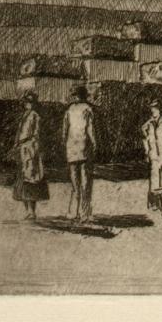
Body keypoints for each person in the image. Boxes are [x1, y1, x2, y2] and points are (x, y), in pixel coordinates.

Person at [12, 91, 49, 221]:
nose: (28, 104)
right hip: (23, 150)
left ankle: (32, 211)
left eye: (31, 102)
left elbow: (36, 134)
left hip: (30, 150)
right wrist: (17, 145)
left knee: (32, 179)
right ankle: (27, 211)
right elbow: (20, 134)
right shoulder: (25, 115)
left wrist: (33, 150)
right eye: (27, 102)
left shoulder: (35, 116)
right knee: (22, 180)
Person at [62, 84, 97, 223]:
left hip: (71, 149)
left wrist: (65, 143)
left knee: (75, 183)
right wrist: (95, 143)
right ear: (84, 96)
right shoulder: (88, 109)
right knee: (85, 182)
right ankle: (84, 213)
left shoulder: (69, 109)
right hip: (84, 147)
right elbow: (90, 129)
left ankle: (72, 212)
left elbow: (64, 130)